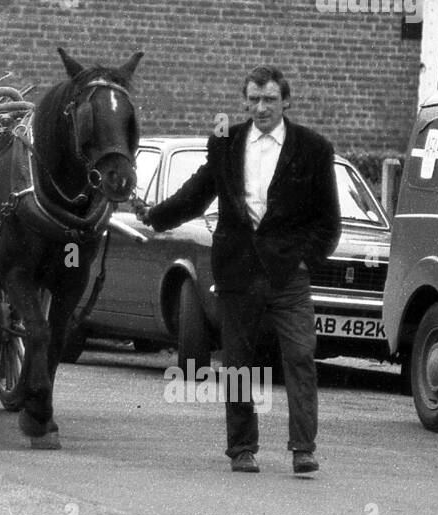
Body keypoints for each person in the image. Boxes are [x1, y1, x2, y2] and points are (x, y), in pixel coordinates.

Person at [140, 66, 340, 475]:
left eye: (269, 99)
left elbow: (328, 221)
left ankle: (303, 448)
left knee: (300, 356)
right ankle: (242, 448)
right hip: (237, 271)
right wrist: (157, 216)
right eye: (253, 99)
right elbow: (198, 192)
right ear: (245, 101)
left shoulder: (314, 149)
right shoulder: (225, 141)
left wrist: (305, 259)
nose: (260, 107)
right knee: (238, 364)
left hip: (289, 276)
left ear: (286, 101)